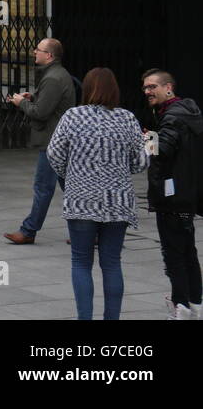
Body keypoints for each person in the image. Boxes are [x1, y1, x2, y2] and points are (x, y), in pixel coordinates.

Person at [44, 67, 147, 320]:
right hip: (118, 201)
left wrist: (72, 175)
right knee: (112, 263)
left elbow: (54, 154)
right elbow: (140, 163)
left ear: (87, 89)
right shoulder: (127, 118)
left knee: (81, 262)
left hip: (81, 200)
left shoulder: (73, 116)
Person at [142, 69, 203, 319]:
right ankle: (195, 303)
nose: (147, 91)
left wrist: (145, 138)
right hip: (186, 193)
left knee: (174, 253)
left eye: (153, 86)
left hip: (171, 196)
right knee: (188, 251)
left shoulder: (173, 117)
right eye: (145, 87)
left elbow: (162, 149)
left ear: (169, 88)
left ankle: (181, 307)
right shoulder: (187, 112)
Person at [4, 38, 76, 245]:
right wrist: (34, 96)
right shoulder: (55, 75)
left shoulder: (53, 78)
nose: (34, 52)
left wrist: (22, 103)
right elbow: (49, 102)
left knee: (43, 187)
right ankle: (87, 230)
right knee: (71, 187)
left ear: (50, 55)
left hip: (53, 142)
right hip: (59, 140)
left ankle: (28, 231)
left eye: (39, 50)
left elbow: (41, 113)